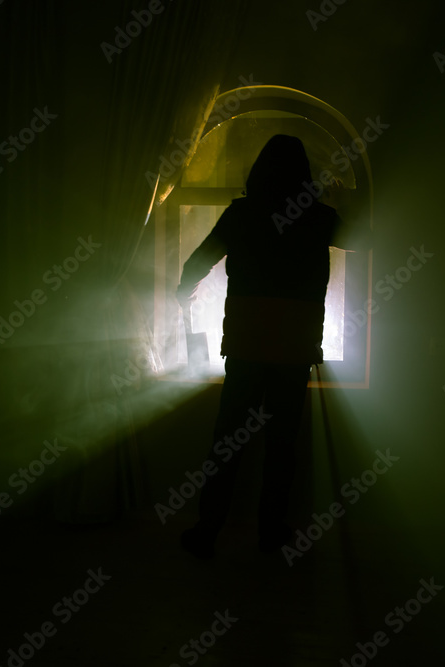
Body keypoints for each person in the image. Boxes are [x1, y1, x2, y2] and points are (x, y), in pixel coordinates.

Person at [175, 134, 356, 558]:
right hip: (294, 347)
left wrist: (184, 293)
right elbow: (366, 238)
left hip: (245, 342)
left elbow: (196, 264)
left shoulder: (243, 213)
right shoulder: (318, 217)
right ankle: (271, 533)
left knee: (227, 442)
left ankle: (208, 529)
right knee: (282, 446)